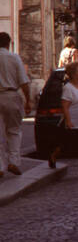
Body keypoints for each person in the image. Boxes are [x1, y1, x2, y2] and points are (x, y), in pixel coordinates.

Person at [0, 32, 31, 177]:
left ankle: (0, 166)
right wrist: (28, 100)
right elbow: (24, 82)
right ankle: (13, 161)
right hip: (11, 95)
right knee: (14, 130)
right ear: (9, 43)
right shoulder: (14, 57)